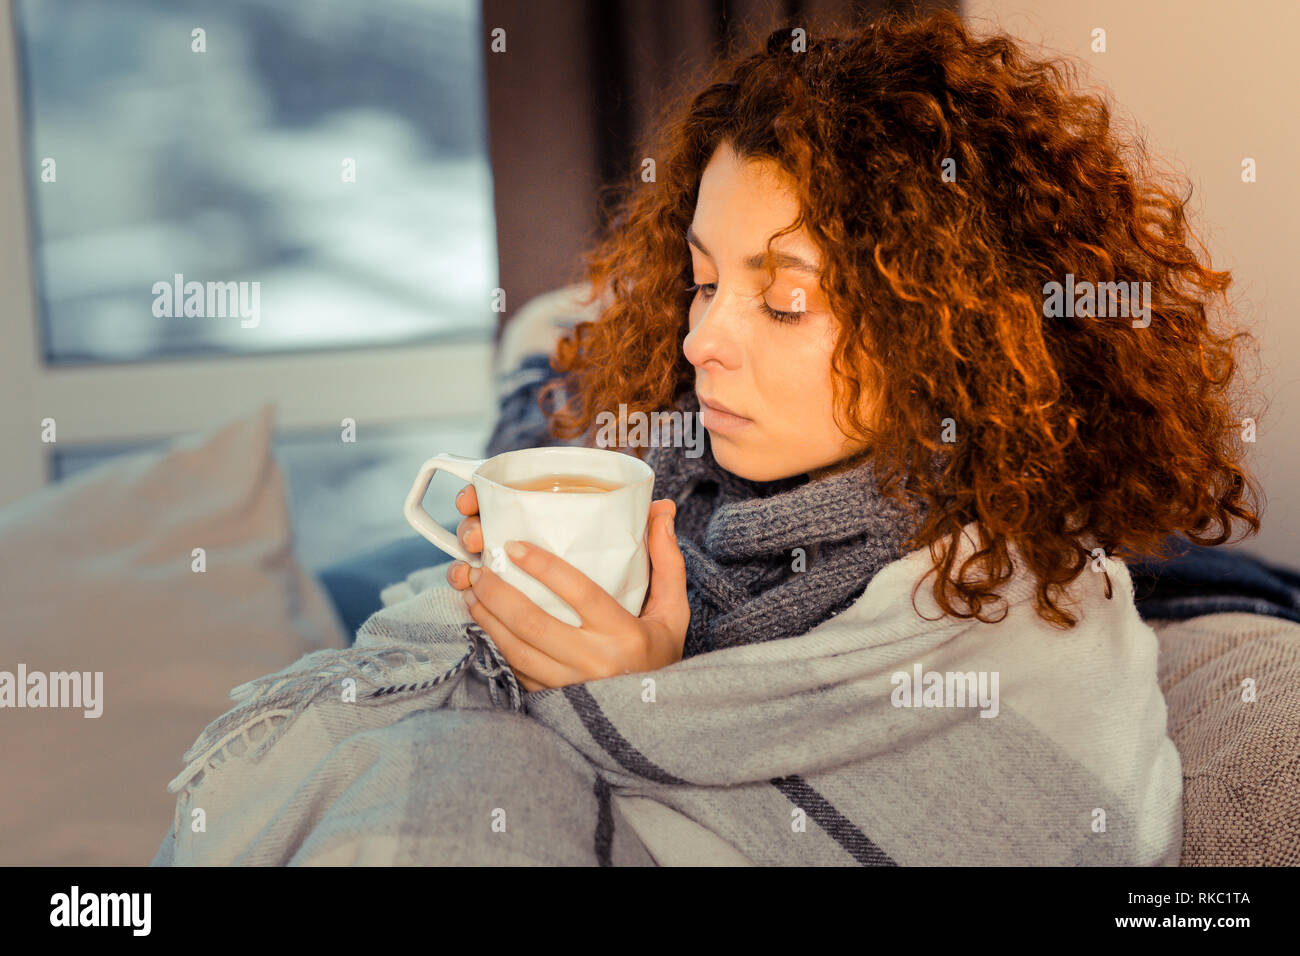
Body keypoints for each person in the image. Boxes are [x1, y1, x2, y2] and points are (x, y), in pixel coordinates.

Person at [153, 9, 1260, 866]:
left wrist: (637, 694)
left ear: (951, 330)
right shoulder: (657, 482)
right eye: (700, 279)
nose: (702, 340)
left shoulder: (1031, 635)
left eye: (782, 302)